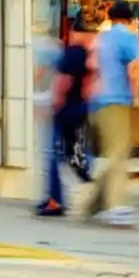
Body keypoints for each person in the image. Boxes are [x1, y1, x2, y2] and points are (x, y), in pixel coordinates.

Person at [85, 0, 139, 227]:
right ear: (131, 19)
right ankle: (117, 205)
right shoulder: (129, 38)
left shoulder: (102, 39)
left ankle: (95, 205)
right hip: (118, 100)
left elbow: (91, 68)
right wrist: (137, 97)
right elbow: (134, 69)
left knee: (113, 151)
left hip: (98, 101)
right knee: (118, 153)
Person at [37, 15, 95, 217]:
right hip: (81, 107)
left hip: (66, 110)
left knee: (55, 154)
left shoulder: (72, 53)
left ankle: (56, 200)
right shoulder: (89, 55)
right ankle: (89, 190)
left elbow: (64, 80)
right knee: (77, 153)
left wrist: (56, 101)